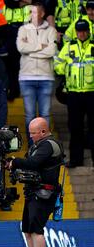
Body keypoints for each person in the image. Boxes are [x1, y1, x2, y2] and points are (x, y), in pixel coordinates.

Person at [5, 117, 64, 247]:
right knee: (28, 229)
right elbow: (29, 162)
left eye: (33, 133)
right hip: (33, 191)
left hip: (45, 193)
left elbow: (33, 163)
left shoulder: (49, 145)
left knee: (37, 229)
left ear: (43, 131)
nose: (30, 136)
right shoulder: (37, 145)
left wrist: (15, 162)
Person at [54, 19, 94, 168]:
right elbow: (57, 63)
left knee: (93, 127)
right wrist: (65, 70)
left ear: (88, 32)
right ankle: (76, 160)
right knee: (75, 128)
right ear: (76, 32)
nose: (82, 33)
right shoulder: (69, 47)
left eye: (84, 31)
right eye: (79, 31)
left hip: (92, 93)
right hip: (74, 94)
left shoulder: (93, 46)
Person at [17, 2, 57, 141]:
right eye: (30, 12)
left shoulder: (51, 30)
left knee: (45, 114)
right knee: (30, 115)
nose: (32, 15)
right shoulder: (23, 29)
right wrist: (41, 46)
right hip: (27, 77)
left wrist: (31, 51)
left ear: (42, 14)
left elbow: (52, 51)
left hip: (46, 77)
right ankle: (32, 147)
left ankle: (45, 147)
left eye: (35, 12)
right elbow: (21, 48)